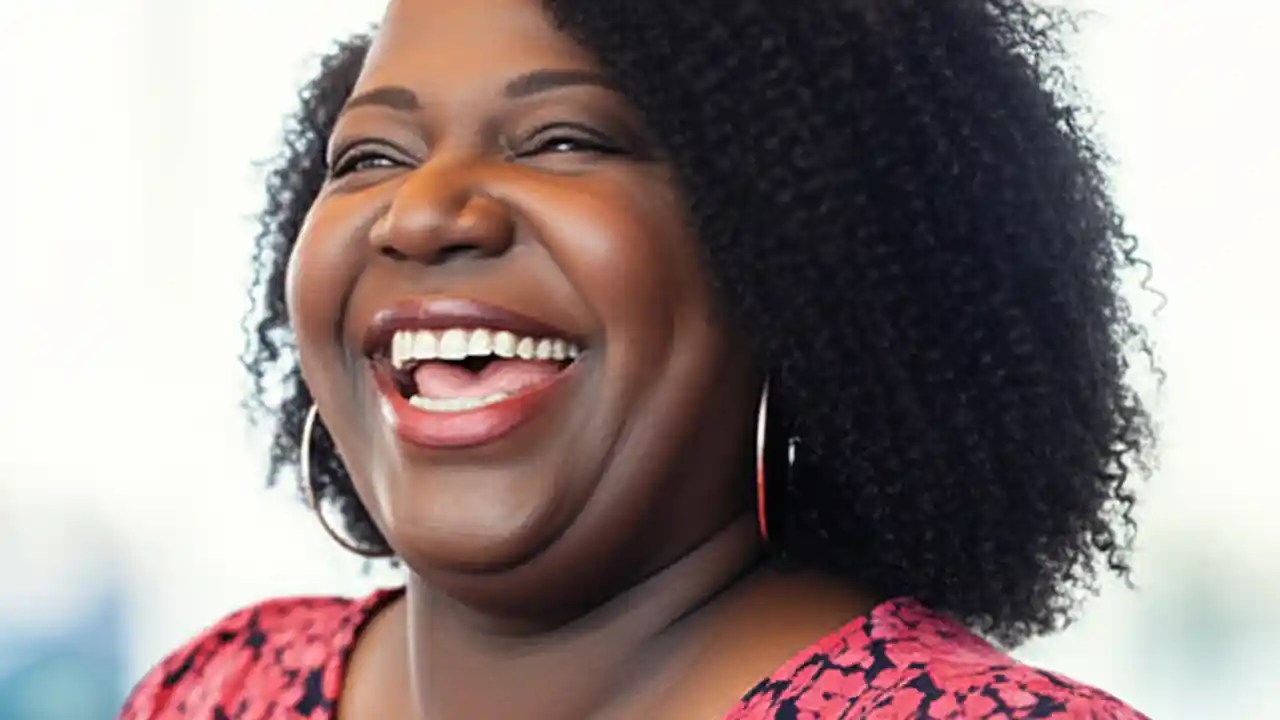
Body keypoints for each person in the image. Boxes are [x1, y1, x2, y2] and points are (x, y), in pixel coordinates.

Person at [119, 0, 1157, 717]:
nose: (424, 210)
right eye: (370, 157)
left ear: (795, 261)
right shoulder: (216, 691)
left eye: (565, 138)